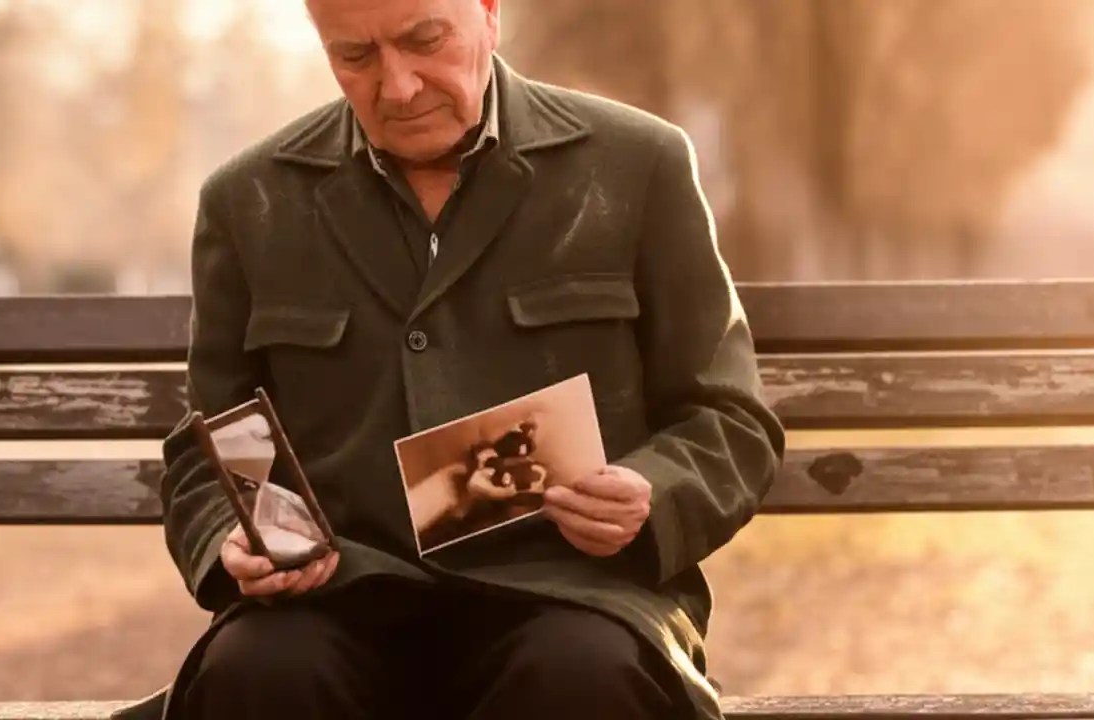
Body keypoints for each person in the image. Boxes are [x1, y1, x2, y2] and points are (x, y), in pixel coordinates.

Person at [119, 0, 785, 718]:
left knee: (580, 677)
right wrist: (233, 536)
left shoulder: (637, 164)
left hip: (576, 595)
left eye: (425, 40)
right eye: (355, 57)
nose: (398, 86)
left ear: (489, 12)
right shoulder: (248, 201)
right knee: (255, 676)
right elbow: (211, 451)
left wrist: (651, 491)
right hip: (337, 598)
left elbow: (729, 419)